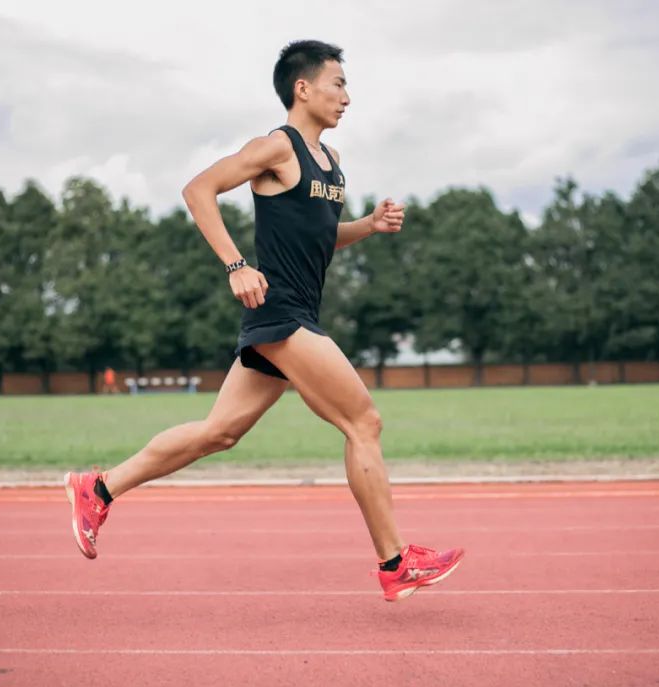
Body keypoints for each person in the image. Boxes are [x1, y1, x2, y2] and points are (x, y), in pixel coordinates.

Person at [65, 39, 464, 602]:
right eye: (338, 84)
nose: (347, 97)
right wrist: (236, 264)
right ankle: (395, 561)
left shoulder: (332, 164)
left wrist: (367, 226)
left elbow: (321, 239)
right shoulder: (275, 147)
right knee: (363, 423)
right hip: (280, 313)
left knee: (219, 432)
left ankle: (99, 488)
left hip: (294, 312)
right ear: (303, 88)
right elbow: (198, 190)